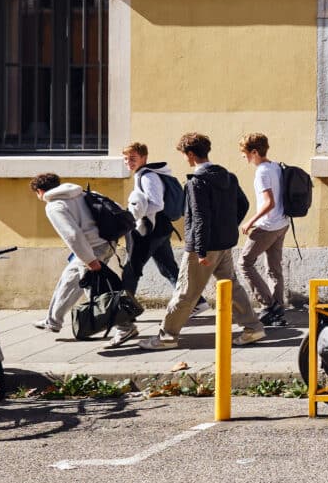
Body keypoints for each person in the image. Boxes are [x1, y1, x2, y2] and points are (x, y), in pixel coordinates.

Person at [155, 132, 265, 349]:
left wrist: (201, 250)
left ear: (191, 154)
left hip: (203, 247)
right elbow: (242, 205)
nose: (185, 159)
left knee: (186, 291)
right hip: (224, 244)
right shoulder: (228, 177)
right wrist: (226, 227)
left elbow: (200, 218)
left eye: (185, 155)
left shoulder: (197, 182)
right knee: (232, 287)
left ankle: (166, 337)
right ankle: (254, 328)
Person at [31, 172, 139, 347]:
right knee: (68, 280)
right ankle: (53, 321)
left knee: (97, 290)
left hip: (91, 250)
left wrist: (90, 260)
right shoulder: (82, 193)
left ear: (40, 191)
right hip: (105, 243)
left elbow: (73, 236)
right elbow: (117, 209)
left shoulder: (54, 206)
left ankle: (125, 327)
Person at [237, 132, 292, 327]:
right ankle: (278, 311)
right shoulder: (275, 166)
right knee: (274, 269)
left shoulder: (261, 171)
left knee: (244, 263)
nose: (243, 156)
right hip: (282, 224)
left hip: (268, 226)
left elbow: (269, 203)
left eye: (244, 153)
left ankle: (268, 305)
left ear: (254, 152)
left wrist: (250, 222)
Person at [120, 141, 181, 303]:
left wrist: (134, 215)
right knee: (168, 268)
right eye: (125, 159)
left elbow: (157, 204)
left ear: (144, 157)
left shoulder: (148, 176)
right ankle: (196, 302)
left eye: (132, 158)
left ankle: (125, 310)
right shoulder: (143, 174)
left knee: (131, 268)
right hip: (159, 228)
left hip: (150, 228)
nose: (128, 162)